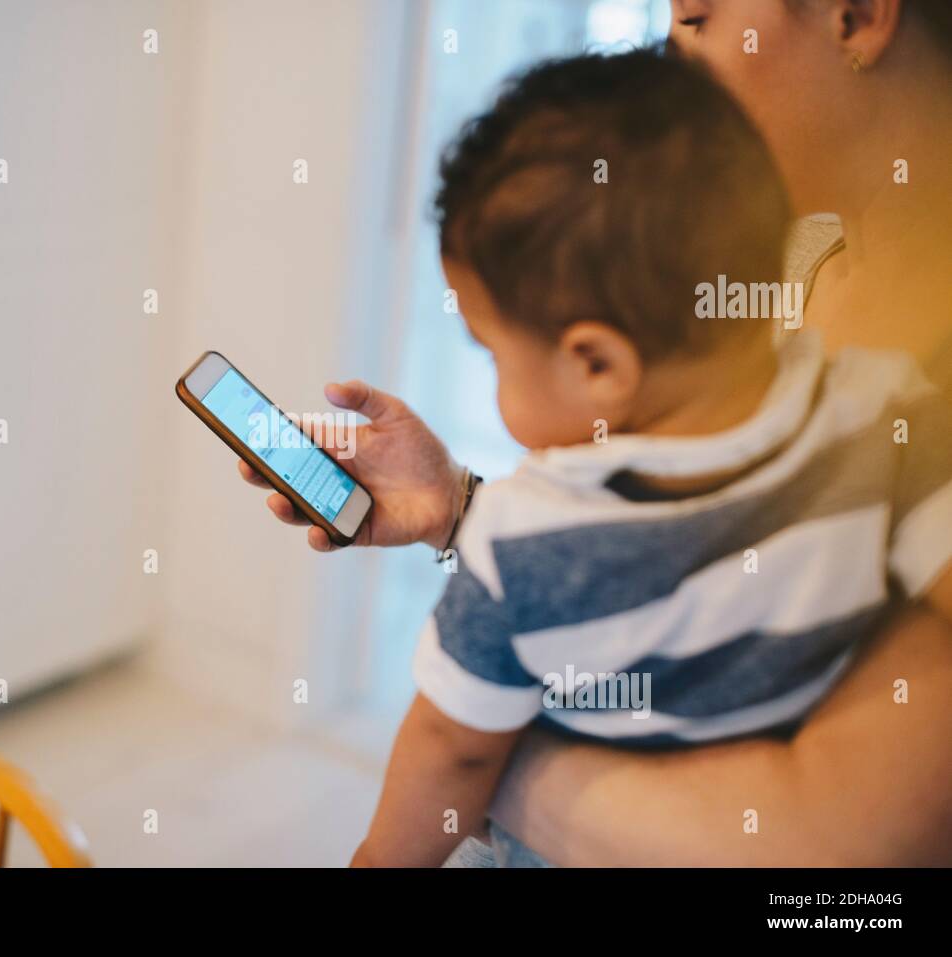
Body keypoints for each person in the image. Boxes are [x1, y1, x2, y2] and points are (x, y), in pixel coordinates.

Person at [239, 0, 952, 865]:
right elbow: (706, 528)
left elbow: (835, 863)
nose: (668, 51)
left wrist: (496, 733)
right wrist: (462, 508)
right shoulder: (839, 343)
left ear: (857, 15)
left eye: (697, 16)